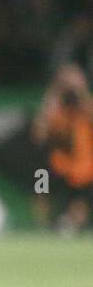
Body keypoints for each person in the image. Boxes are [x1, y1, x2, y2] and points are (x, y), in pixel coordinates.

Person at [31, 63, 93, 233]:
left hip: (83, 170)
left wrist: (81, 90)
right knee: (40, 177)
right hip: (58, 166)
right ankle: (41, 227)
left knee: (81, 197)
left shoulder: (85, 109)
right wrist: (55, 91)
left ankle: (72, 223)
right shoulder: (56, 110)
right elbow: (38, 134)